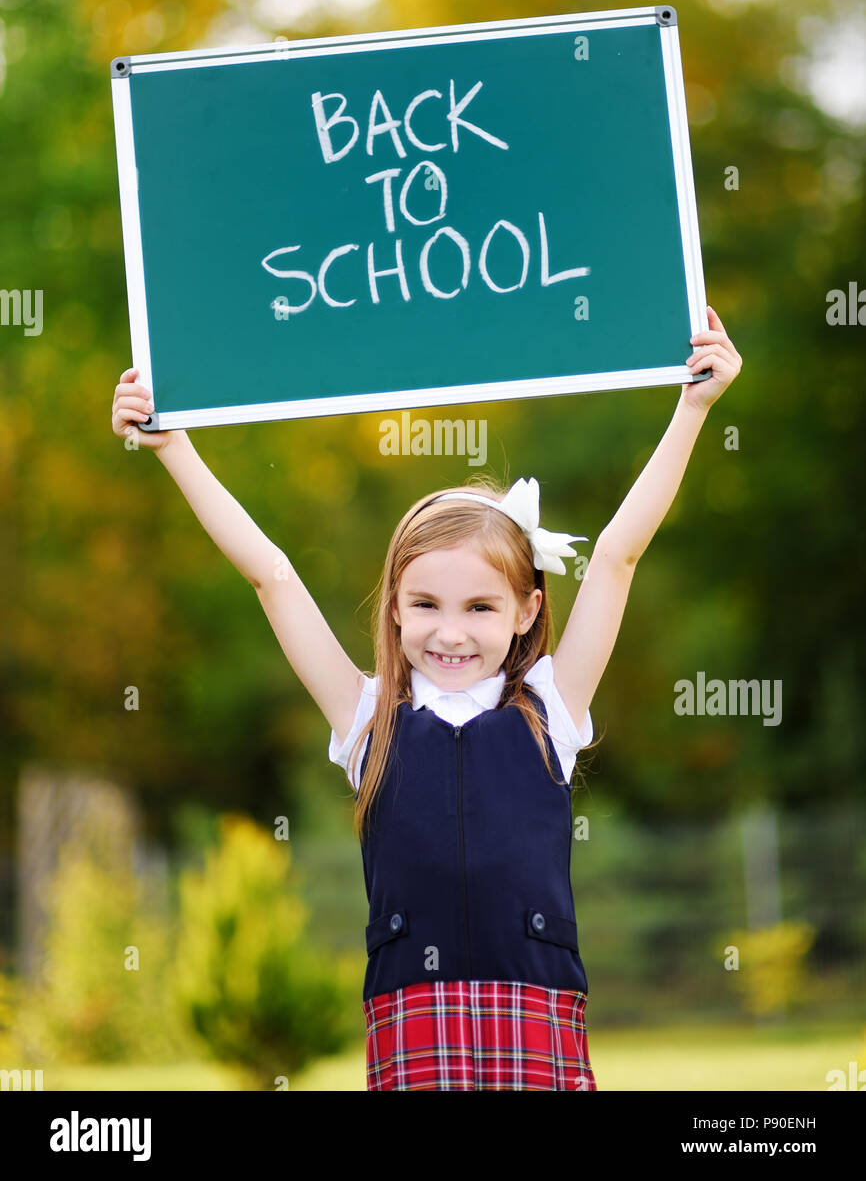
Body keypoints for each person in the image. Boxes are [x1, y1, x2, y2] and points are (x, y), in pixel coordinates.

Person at [111, 305, 742, 1091]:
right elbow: (270, 575)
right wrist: (175, 449)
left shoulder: (554, 705)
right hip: (414, 1020)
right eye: (427, 605)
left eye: (480, 607)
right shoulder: (365, 719)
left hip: (536, 1013)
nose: (451, 633)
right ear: (396, 610)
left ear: (526, 612)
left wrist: (693, 407)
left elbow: (616, 555)